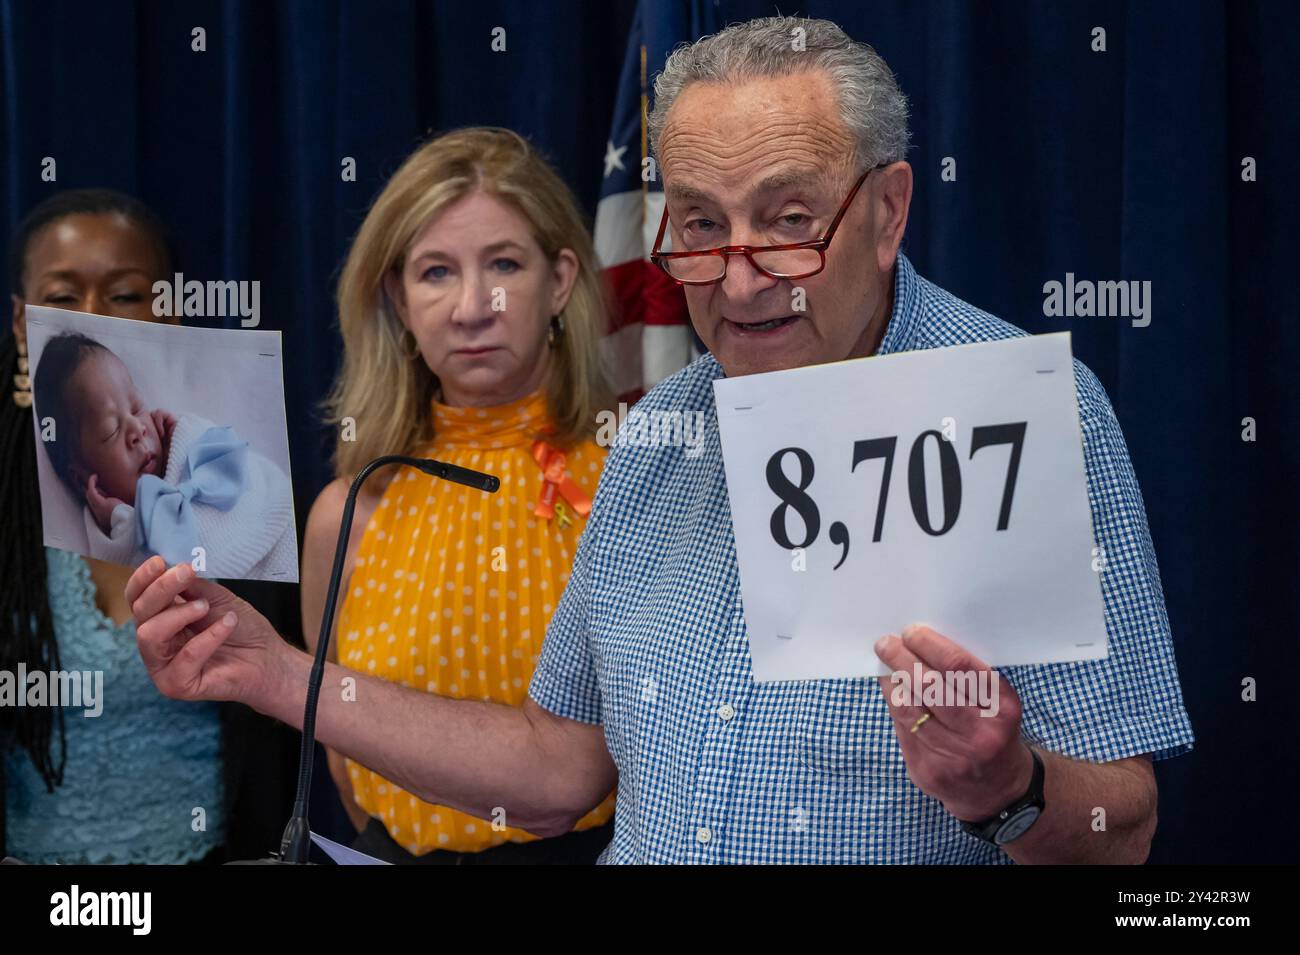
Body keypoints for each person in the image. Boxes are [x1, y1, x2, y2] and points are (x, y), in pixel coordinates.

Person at [127, 17, 1194, 863]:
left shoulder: (1025, 415)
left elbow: (1126, 828)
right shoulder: (654, 439)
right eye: (697, 225)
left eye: (788, 221)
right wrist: (271, 672)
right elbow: (557, 771)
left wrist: (1008, 789)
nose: (735, 281)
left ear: (888, 208)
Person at [299, 127, 615, 862]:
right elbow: (343, 747)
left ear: (560, 281)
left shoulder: (631, 482)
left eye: (504, 263)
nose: (473, 307)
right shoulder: (348, 512)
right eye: (436, 272)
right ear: (397, 299)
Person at [1, 189, 226, 863]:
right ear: (20, 323)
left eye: (126, 295)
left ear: (172, 313)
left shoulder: (233, 486)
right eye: (64, 298)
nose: (93, 321)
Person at [30, 332, 296, 580]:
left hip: (285, 532)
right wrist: (123, 525)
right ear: (83, 478)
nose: (137, 429)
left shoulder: (188, 442)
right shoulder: (118, 528)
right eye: (110, 431)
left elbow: (234, 458)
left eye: (137, 408)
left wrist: (183, 439)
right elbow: (130, 575)